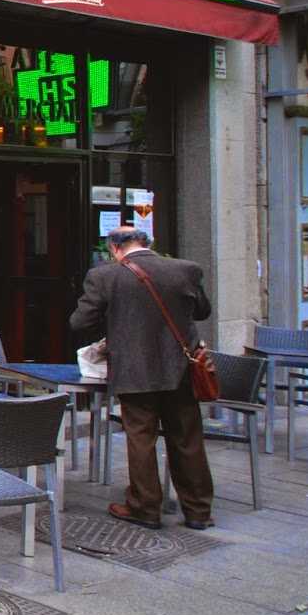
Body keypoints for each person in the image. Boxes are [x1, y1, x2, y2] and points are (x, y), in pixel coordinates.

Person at [70, 226, 215, 531]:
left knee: (141, 438)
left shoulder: (105, 277)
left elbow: (80, 322)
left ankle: (145, 507)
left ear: (114, 248)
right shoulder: (186, 269)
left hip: (134, 369)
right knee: (187, 439)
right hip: (182, 368)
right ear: (148, 243)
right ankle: (198, 511)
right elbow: (202, 311)